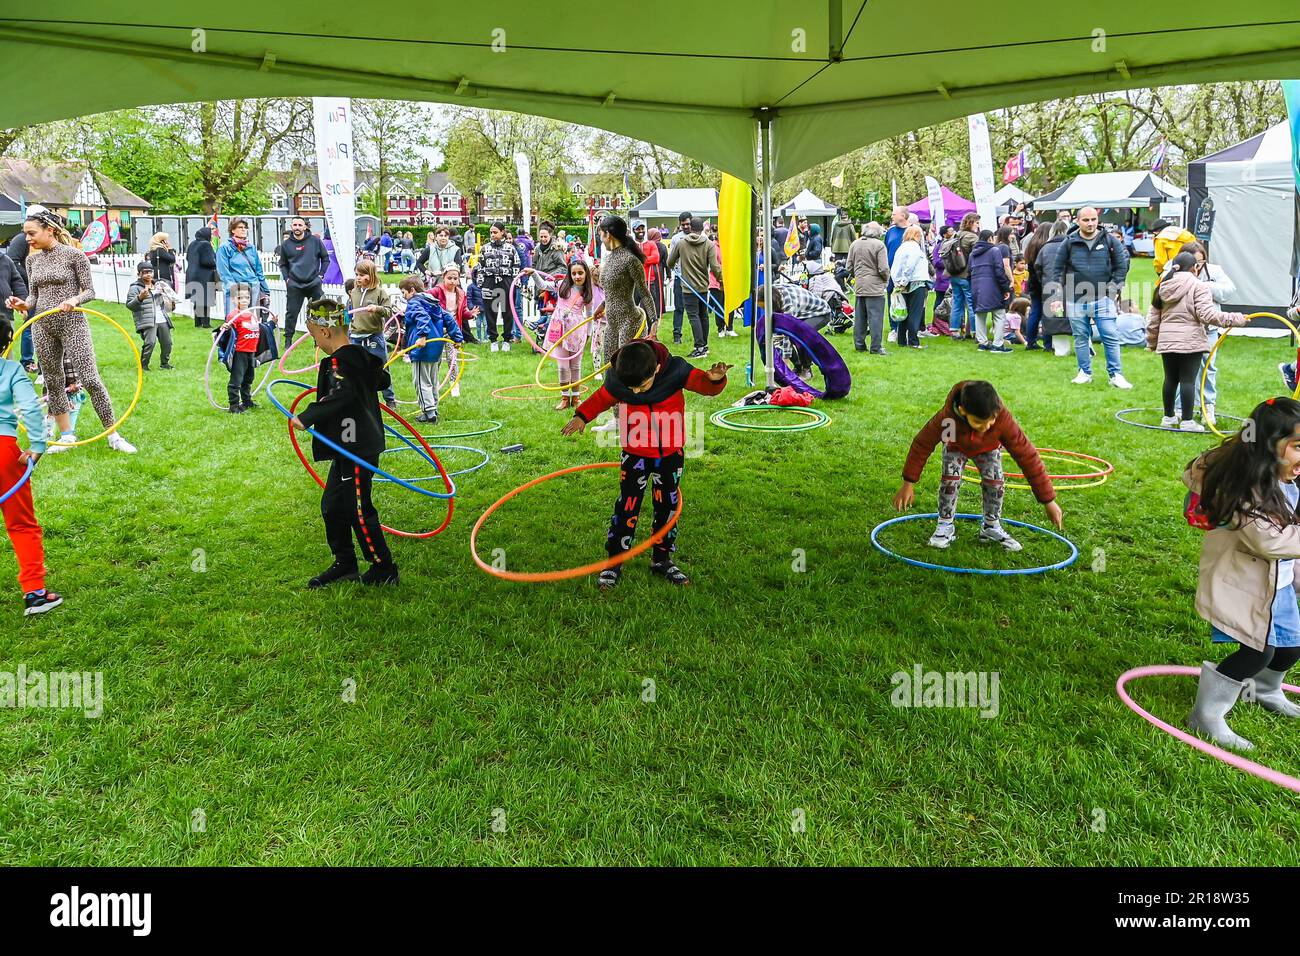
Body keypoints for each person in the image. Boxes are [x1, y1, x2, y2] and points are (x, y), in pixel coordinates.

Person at [1181, 396, 1300, 751]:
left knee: (1292, 645)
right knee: (1257, 651)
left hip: (1279, 583)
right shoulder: (1242, 488)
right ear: (1267, 447)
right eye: (1297, 447)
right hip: (1244, 585)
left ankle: (1265, 689)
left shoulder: (1287, 475)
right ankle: (1206, 714)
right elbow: (1269, 542)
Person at [561, 338, 728, 590]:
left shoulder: (676, 371)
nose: (636, 392)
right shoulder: (622, 376)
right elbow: (602, 397)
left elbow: (704, 385)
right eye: (631, 389)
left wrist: (715, 380)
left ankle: (662, 559)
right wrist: (582, 416)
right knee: (627, 507)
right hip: (635, 453)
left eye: (642, 386)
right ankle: (615, 560)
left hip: (670, 454)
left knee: (667, 506)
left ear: (657, 370)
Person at [4, 210, 135, 454]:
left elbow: (90, 291)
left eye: (31, 233)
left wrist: (74, 299)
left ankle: (113, 435)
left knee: (90, 378)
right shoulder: (32, 260)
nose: (27, 239)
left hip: (72, 322)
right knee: (53, 381)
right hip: (43, 325)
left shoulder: (74, 255)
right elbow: (34, 296)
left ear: (49, 230)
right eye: (25, 234)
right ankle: (66, 436)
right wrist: (23, 304)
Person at [290, 299, 399, 589]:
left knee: (358, 507)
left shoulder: (341, 361)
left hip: (356, 448)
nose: (316, 343)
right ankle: (345, 563)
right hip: (347, 447)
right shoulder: (361, 356)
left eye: (314, 337)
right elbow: (379, 379)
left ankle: (383, 566)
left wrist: (309, 415)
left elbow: (344, 392)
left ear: (325, 332)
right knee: (333, 505)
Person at [894, 379, 1062, 552]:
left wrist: (1048, 500)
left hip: (988, 448)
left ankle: (991, 526)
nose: (986, 426)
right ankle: (945, 525)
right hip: (955, 445)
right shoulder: (948, 419)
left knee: (995, 482)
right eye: (979, 422)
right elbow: (922, 444)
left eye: (990, 421)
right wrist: (908, 482)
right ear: (963, 411)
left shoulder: (1002, 420)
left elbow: (1027, 455)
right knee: (949, 479)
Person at [1145, 251, 1248, 431]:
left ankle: (1168, 418)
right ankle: (1187, 421)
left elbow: (1153, 318)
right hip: (1190, 341)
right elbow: (1207, 315)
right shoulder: (1199, 286)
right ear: (1195, 268)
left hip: (1167, 340)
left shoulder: (1163, 284)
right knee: (1187, 381)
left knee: (1170, 379)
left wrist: (1152, 342)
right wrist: (1237, 319)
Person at [0, 319, 59, 615]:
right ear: (9, 341)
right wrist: (37, 446)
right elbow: (31, 409)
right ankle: (35, 593)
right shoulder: (10, 370)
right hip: (4, 453)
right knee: (21, 523)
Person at [1044, 206, 1133, 388]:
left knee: (1110, 335)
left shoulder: (1109, 240)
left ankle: (1116, 375)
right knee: (1081, 336)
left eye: (1093, 219)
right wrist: (1056, 295)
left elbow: (1121, 266)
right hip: (1075, 298)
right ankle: (1084, 372)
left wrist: (1112, 290)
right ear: (1077, 221)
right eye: (1086, 220)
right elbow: (1057, 270)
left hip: (1103, 298)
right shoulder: (1068, 242)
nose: (1091, 223)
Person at [1173, 241, 1237, 426]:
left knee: (1208, 368)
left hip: (1208, 329)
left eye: (1200, 262)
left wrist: (1205, 287)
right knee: (1181, 370)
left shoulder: (1214, 271)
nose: (1197, 267)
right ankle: (1179, 408)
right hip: (1183, 329)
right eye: (1194, 263)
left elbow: (1229, 290)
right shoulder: (1173, 270)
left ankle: (1207, 406)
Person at [529, 258, 603, 409]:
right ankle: (564, 398)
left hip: (576, 331)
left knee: (575, 366)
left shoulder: (587, 293)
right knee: (563, 366)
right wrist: (533, 273)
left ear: (586, 274)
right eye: (574, 273)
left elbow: (589, 316)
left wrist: (588, 335)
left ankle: (576, 398)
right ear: (569, 274)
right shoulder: (561, 285)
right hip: (559, 329)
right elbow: (542, 285)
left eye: (580, 273)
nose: (577, 276)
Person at [397, 275, 462, 424]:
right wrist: (457, 338)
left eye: (404, 293)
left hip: (422, 348)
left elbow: (422, 318)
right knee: (432, 380)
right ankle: (433, 408)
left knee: (421, 381)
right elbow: (449, 319)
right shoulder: (432, 302)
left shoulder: (414, 303)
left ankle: (428, 413)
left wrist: (422, 335)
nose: (404, 296)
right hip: (436, 348)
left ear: (412, 290)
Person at [664, 216, 719, 358]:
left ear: (690, 227)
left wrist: (676, 265)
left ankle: (700, 348)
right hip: (702, 286)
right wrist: (721, 280)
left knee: (693, 316)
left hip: (688, 288)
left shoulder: (681, 244)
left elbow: (669, 262)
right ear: (702, 229)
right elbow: (715, 267)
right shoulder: (709, 244)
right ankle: (704, 346)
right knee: (703, 316)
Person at [344, 259, 396, 406]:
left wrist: (377, 308)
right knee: (357, 370)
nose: (358, 278)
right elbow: (350, 312)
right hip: (356, 337)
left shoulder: (380, 293)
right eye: (356, 274)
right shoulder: (353, 292)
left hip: (374, 337)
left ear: (371, 275)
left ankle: (390, 400)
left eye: (362, 275)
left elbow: (388, 311)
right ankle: (362, 398)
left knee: (381, 369)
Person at [275, 216, 330, 350]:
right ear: (291, 227)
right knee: (291, 313)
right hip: (295, 285)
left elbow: (325, 258)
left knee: (317, 312)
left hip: (313, 283)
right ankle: (288, 340)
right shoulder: (286, 245)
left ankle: (318, 339)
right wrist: (287, 278)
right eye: (295, 225)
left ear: (305, 227)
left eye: (300, 225)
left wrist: (321, 275)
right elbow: (282, 264)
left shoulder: (315, 241)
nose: (297, 228)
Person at [474, 222, 522, 351]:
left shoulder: (510, 248)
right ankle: (493, 339)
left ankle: (507, 339)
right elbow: (480, 267)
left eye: (495, 232)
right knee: (491, 311)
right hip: (490, 282)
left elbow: (516, 265)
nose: (493, 235)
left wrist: (515, 282)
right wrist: (481, 282)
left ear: (502, 232)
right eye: (491, 232)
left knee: (507, 311)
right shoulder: (485, 248)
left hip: (506, 281)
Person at [847, 222, 890, 354]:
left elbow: (849, 266)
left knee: (860, 317)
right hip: (875, 286)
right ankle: (876, 347)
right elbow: (883, 268)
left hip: (860, 285)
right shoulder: (879, 245)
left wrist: (858, 275)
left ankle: (859, 344)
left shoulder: (855, 244)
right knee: (875, 317)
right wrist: (886, 279)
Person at [125, 261, 175, 371]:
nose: (148, 275)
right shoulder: (135, 287)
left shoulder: (158, 285)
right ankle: (143, 366)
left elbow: (167, 305)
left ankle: (165, 363)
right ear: (139, 274)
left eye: (150, 272)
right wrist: (140, 298)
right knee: (150, 343)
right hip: (147, 319)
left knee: (167, 343)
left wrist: (171, 302)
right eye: (145, 272)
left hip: (162, 318)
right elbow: (129, 305)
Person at [889, 224, 930, 350]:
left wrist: (898, 282)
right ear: (917, 235)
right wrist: (904, 280)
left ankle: (902, 340)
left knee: (903, 312)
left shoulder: (901, 248)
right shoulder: (915, 249)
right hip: (916, 283)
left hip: (902, 283)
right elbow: (910, 266)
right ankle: (913, 341)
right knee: (915, 313)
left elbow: (896, 267)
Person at [215, 218, 269, 313]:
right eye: (240, 227)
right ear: (233, 230)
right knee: (234, 319)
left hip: (253, 285)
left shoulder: (250, 247)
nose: (244, 229)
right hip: (237, 287)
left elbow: (258, 269)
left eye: (245, 227)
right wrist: (233, 288)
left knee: (253, 320)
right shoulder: (225, 247)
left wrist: (265, 290)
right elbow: (223, 271)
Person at [944, 212, 980, 340]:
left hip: (954, 274)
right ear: (970, 223)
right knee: (971, 304)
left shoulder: (956, 235)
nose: (978, 225)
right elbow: (977, 256)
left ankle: (955, 331)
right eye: (976, 222)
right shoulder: (972, 237)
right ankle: (976, 332)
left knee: (957, 303)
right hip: (966, 275)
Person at [428, 264, 480, 344]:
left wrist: (471, 314)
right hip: (439, 327)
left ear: (458, 279)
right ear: (443, 278)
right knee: (438, 351)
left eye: (455, 278)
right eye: (449, 278)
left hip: (453, 327)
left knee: (452, 352)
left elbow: (462, 312)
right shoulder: (436, 290)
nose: (452, 281)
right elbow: (423, 297)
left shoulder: (461, 294)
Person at [1021, 223, 1054, 350]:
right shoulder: (1047, 246)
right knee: (1047, 312)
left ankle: (1031, 341)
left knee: (1035, 311)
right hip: (1044, 281)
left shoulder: (1031, 245)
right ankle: (1048, 343)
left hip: (1033, 282)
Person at [184, 225, 219, 330]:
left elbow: (187, 257)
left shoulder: (192, 244)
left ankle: (198, 322)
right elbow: (207, 261)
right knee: (205, 301)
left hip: (192, 275)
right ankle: (206, 323)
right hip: (204, 276)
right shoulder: (206, 245)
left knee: (197, 301)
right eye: (211, 234)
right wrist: (215, 261)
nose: (212, 236)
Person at [669, 212, 693, 344]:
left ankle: (700, 338)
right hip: (680, 277)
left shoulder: (699, 236)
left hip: (694, 278)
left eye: (688, 224)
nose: (685, 226)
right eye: (683, 224)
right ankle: (677, 335)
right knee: (679, 308)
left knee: (695, 310)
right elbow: (671, 258)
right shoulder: (676, 238)